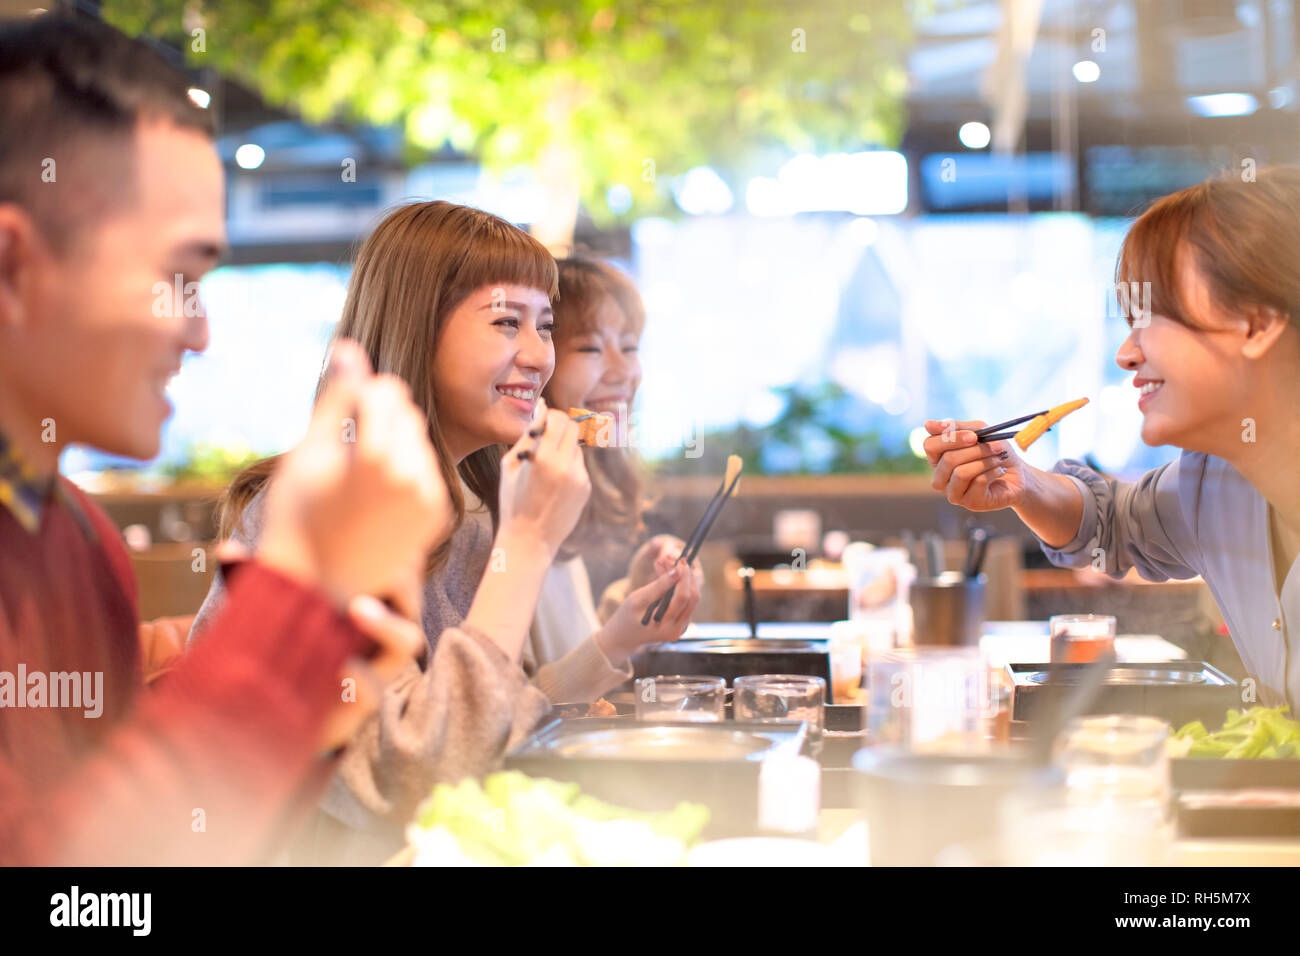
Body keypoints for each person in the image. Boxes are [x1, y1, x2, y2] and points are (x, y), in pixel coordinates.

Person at [0, 14, 448, 864]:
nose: (198, 332)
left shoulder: (77, 537)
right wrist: (298, 590)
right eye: (177, 278)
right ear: (15, 265)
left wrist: (323, 700)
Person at [192, 203, 697, 863]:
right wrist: (528, 542)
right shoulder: (320, 512)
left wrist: (605, 646)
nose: (538, 356)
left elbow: (480, 722)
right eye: (506, 323)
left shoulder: (470, 506)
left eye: (544, 326)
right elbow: (415, 782)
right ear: (417, 326)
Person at [922, 167, 1300, 711]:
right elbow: (1114, 524)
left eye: (1151, 318)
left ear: (1259, 324)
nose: (1126, 354)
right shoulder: (1213, 482)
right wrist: (1021, 480)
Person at [525, 256, 701, 703]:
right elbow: (504, 715)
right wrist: (617, 642)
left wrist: (637, 592)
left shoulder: (566, 478)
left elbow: (563, 651)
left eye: (629, 346)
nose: (623, 372)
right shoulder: (511, 499)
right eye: (589, 348)